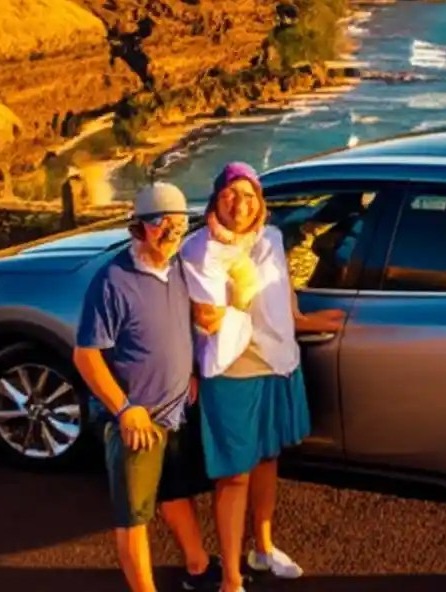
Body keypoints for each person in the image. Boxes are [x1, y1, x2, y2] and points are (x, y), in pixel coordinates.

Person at [180, 162, 345, 592]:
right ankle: (231, 579)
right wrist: (236, 289)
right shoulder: (199, 250)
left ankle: (263, 549)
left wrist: (304, 321)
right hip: (232, 369)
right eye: (230, 194)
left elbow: (279, 296)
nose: (240, 203)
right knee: (234, 474)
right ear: (216, 199)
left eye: (249, 195)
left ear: (261, 203)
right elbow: (211, 318)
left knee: (268, 459)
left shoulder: (270, 239)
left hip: (276, 362)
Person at [71, 181, 223, 592]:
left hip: (176, 411)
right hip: (138, 421)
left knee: (177, 494)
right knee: (135, 515)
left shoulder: (177, 268)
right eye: (161, 224)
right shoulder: (112, 281)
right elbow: (85, 356)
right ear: (138, 228)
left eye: (178, 223)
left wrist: (190, 369)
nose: (172, 232)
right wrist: (124, 410)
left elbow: (178, 328)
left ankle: (197, 567)